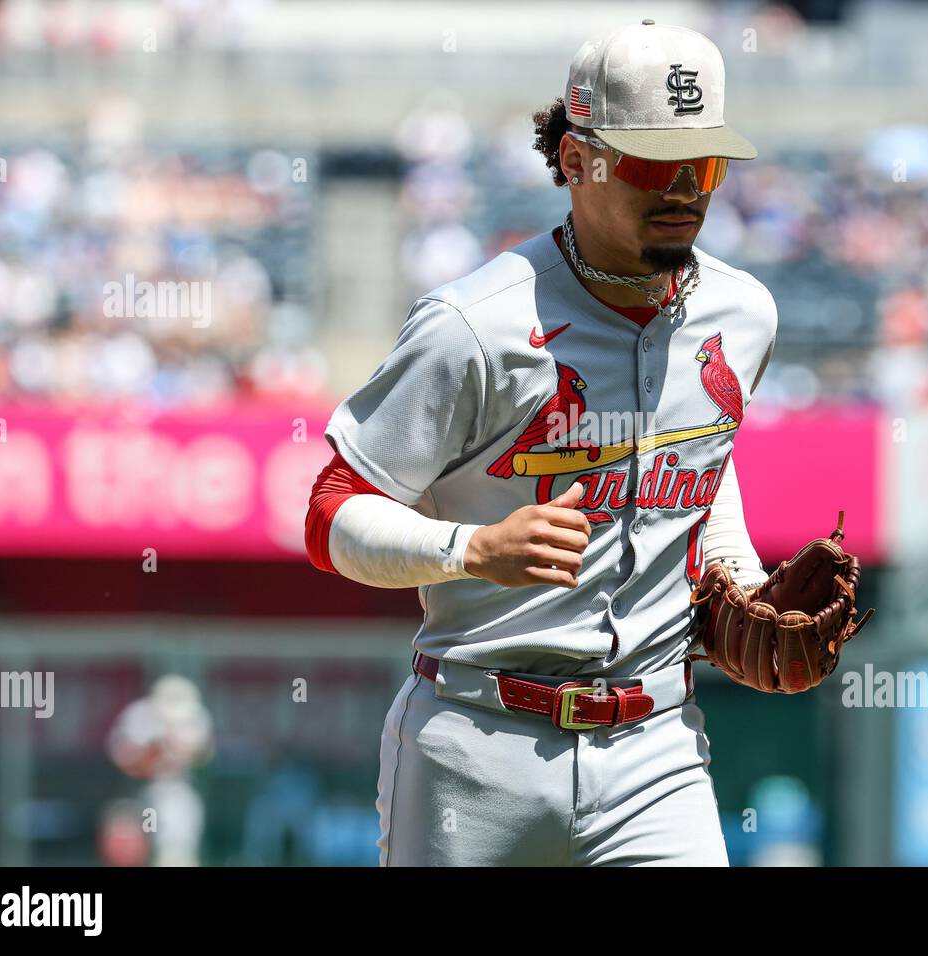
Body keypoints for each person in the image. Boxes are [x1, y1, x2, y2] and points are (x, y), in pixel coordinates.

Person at [305, 20, 776, 866]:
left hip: (657, 747)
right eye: (651, 164)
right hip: (478, 744)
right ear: (575, 161)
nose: (683, 189)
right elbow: (330, 513)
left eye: (703, 164)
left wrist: (741, 579)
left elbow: (709, 456)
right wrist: (472, 547)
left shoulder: (743, 315)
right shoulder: (473, 326)